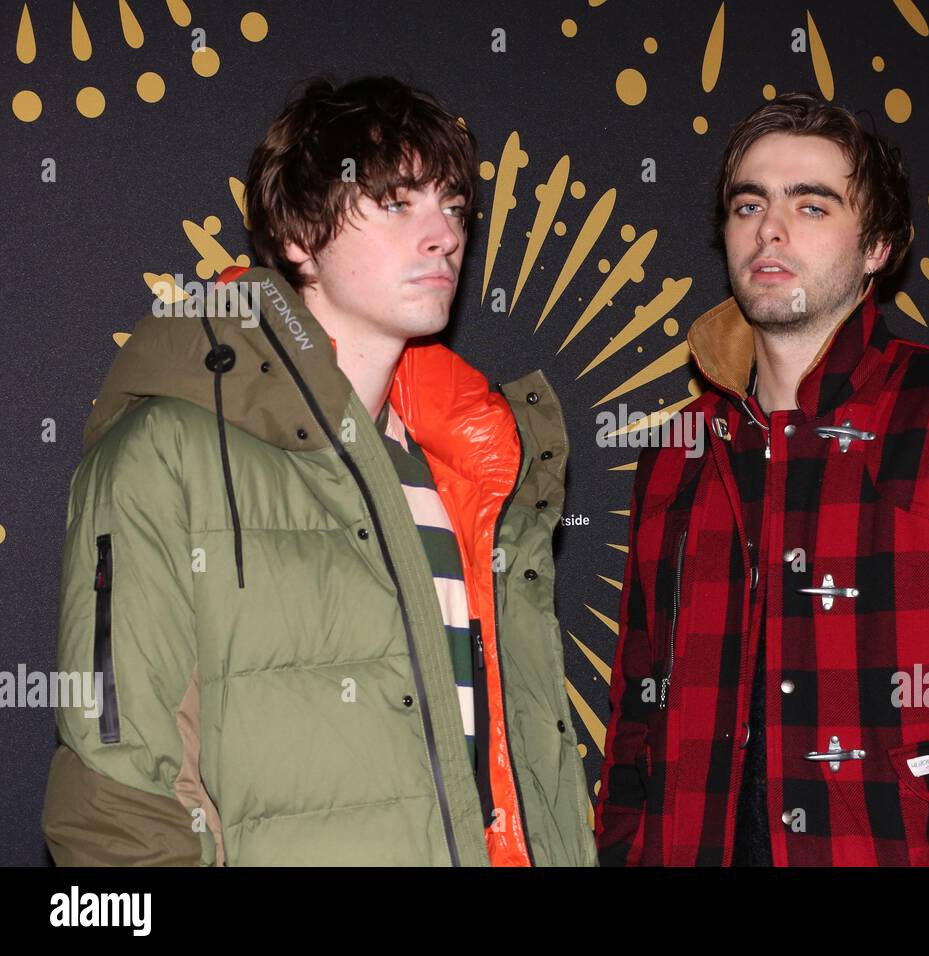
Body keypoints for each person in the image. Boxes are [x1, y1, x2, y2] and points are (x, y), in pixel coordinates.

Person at [42, 75, 595, 866]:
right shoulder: (166, 456)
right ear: (300, 235)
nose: (444, 234)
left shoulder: (470, 475)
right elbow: (115, 806)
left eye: (453, 206)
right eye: (399, 202)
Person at [595, 92, 929, 866]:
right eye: (749, 203)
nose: (770, 227)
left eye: (813, 206)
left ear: (879, 247)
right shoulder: (678, 454)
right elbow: (638, 716)